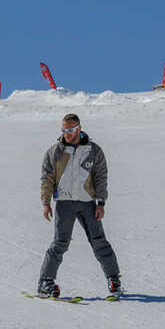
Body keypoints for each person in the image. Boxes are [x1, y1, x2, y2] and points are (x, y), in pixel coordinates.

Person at [38, 114, 121, 297]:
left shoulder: (94, 151)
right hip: (64, 204)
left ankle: (113, 279)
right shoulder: (55, 152)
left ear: (79, 129)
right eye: (64, 130)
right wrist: (46, 202)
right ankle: (45, 282)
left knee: (99, 241)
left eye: (71, 130)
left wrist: (101, 203)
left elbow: (101, 177)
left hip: (88, 203)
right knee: (59, 243)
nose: (67, 134)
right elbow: (47, 178)